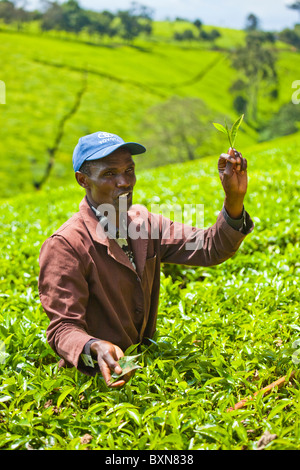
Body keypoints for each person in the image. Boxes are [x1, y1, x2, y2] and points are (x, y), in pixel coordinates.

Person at [38, 131, 253, 388]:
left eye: (129, 170)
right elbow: (62, 328)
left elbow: (209, 247)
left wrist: (234, 199)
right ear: (83, 180)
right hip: (93, 382)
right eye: (109, 174)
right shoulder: (66, 245)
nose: (124, 182)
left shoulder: (144, 222)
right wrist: (93, 346)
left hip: (144, 369)